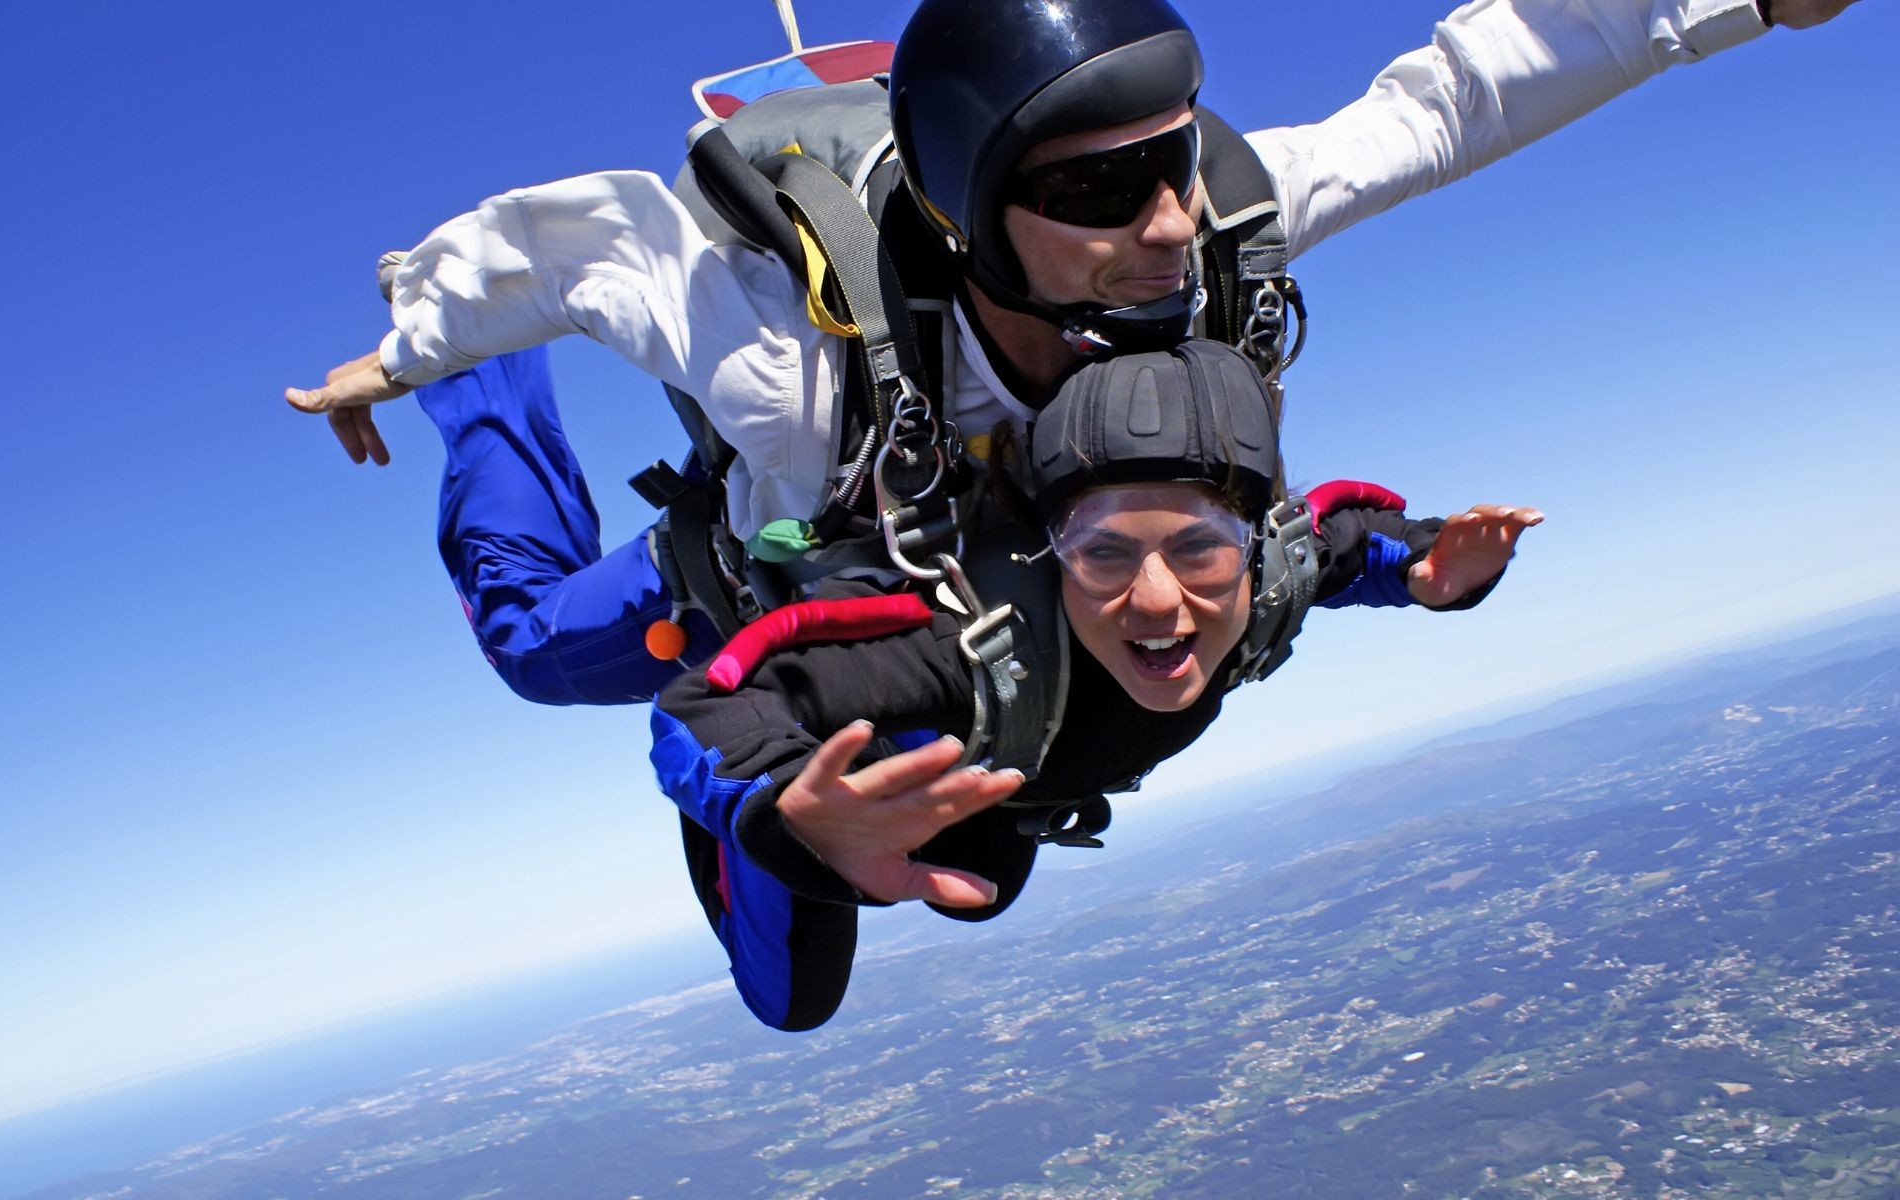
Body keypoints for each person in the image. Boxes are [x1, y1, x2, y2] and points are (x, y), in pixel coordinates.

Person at [283, 0, 1866, 710]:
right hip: (831, 528)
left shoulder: (1224, 222)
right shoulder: (792, 364)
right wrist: (417, 341)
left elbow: (1450, 101)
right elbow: (597, 247)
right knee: (536, 644)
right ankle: (486, 408)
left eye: (1174, 160)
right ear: (977, 223)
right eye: (1101, 191)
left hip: (1029, 524)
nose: (1170, 223)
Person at [648, 339, 1544, 1030]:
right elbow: (709, 702)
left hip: (1012, 782)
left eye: (1200, 548)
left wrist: (1435, 573)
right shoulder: (965, 647)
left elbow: (1363, 537)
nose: (1159, 600)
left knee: (984, 885)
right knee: (792, 1000)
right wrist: (776, 811)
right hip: (880, 754)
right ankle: (500, 371)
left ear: (1253, 547)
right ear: (1050, 555)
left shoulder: (1277, 572)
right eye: (1103, 554)